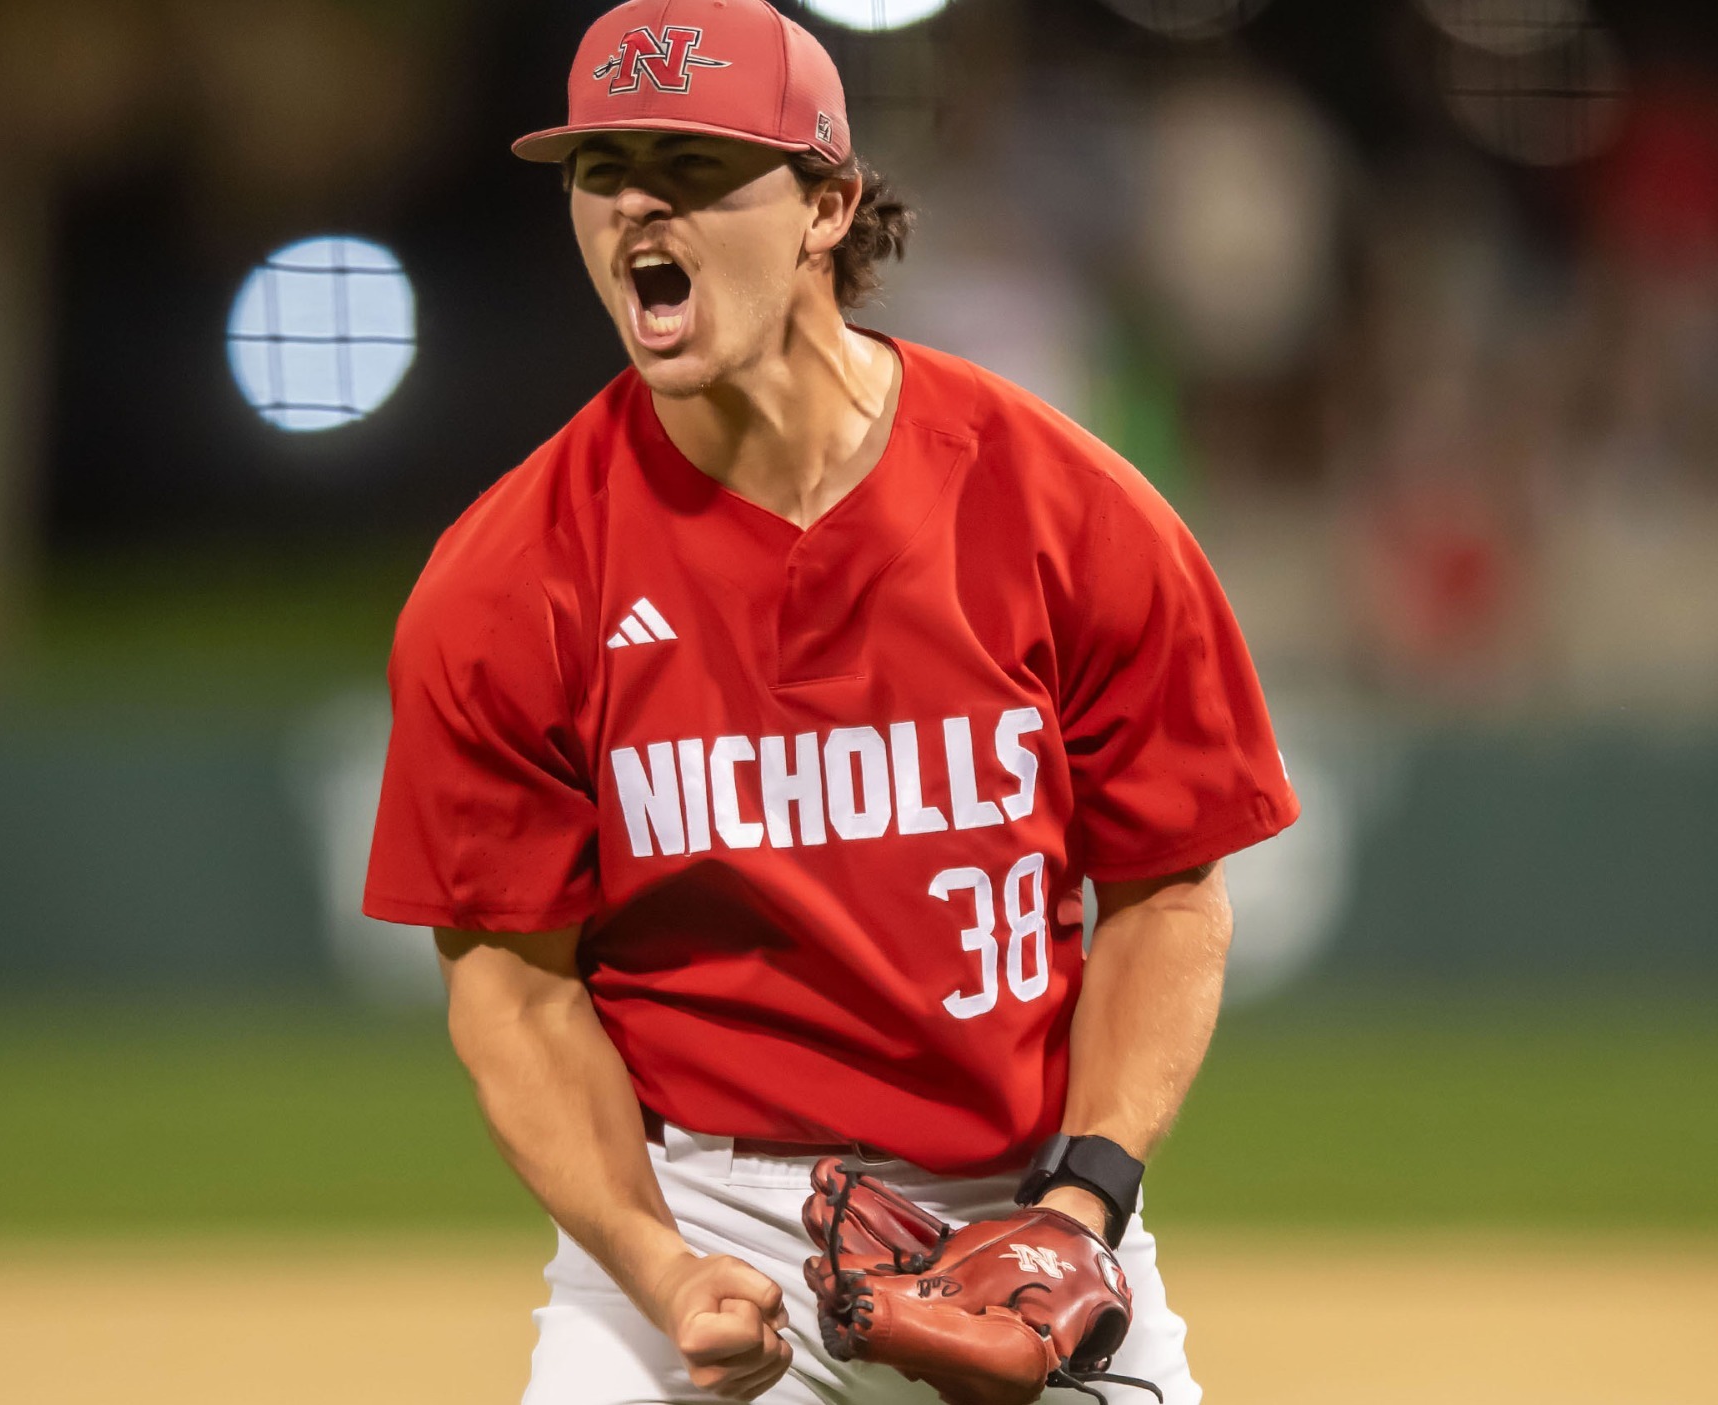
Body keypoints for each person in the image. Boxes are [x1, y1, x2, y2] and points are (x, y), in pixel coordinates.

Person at [363, 1, 1297, 1399]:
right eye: (601, 168)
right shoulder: (510, 578)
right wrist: (655, 1263)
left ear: (827, 207)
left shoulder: (1065, 512)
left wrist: (1081, 1209)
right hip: (698, 1215)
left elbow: (1169, 890)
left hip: (1023, 1207)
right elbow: (513, 989)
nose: (635, 208)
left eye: (691, 168)